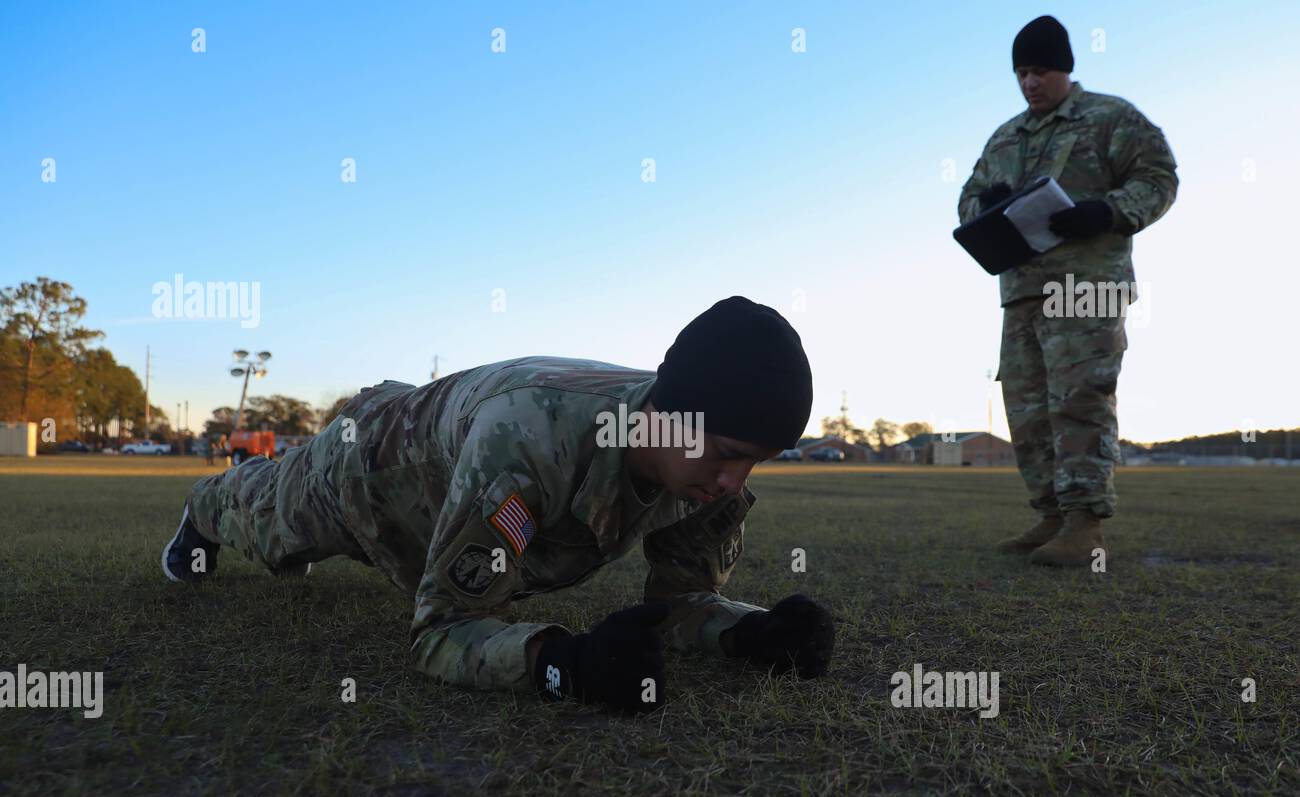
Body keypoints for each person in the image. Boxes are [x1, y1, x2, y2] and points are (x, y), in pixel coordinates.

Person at [161, 296, 836, 713]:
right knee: (271, 524)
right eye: (724, 451)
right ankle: (203, 511)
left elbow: (682, 605)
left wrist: (749, 633)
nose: (732, 480)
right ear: (665, 413)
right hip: (368, 462)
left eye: (753, 461)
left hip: (450, 444)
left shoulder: (705, 476)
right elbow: (441, 633)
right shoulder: (531, 440)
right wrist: (563, 665)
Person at [958, 15, 1178, 566]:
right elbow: (968, 197)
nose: (1031, 82)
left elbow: (1159, 178)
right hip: (1022, 292)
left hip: (1088, 286)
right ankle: (1052, 516)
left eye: (1042, 71)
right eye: (1022, 73)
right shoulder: (1006, 135)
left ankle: (1085, 528)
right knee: (1027, 409)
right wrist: (984, 207)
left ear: (1066, 69)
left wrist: (1107, 211)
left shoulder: (1110, 117)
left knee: (1080, 398)